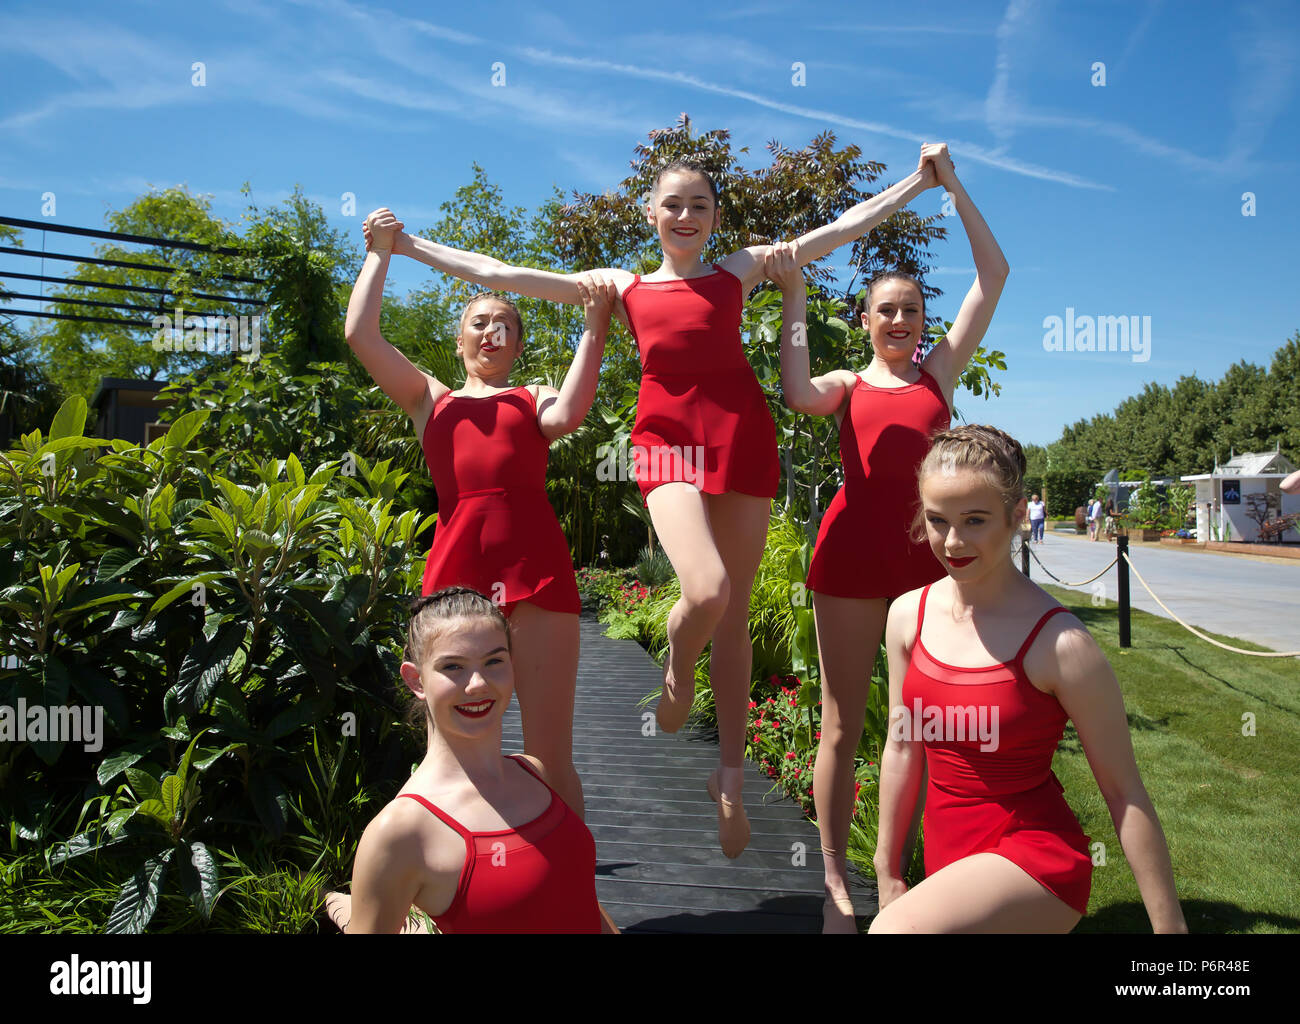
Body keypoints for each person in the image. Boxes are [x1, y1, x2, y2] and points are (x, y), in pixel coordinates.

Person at [362, 146, 938, 859]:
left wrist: (917, 183)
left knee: (732, 619)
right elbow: (502, 274)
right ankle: (674, 658)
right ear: (651, 214)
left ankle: (728, 777)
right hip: (666, 441)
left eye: (700, 205)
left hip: (741, 437)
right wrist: (407, 245)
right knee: (708, 590)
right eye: (673, 205)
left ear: (716, 217)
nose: (687, 216)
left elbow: (843, 228)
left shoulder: (739, 269)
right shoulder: (624, 286)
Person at [770, 142, 1008, 931]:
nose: (900, 319)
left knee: (922, 719)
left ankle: (899, 873)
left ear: (922, 322)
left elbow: (995, 276)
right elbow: (797, 390)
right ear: (866, 322)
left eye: (910, 309)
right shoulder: (848, 384)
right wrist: (795, 292)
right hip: (847, 559)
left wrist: (954, 185)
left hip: (929, 565)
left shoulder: (939, 375)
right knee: (841, 721)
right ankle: (835, 878)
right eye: (886, 309)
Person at [345, 226, 617, 818]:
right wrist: (380, 251)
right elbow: (360, 335)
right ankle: (448, 899)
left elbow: (570, 413)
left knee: (549, 757)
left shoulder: (533, 397)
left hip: (538, 576)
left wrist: (594, 325)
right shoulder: (430, 401)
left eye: (506, 325)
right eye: (480, 321)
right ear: (460, 336)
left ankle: (569, 896)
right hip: (455, 586)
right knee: (450, 755)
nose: (491, 331)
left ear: (517, 345)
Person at [870, 425, 1185, 933]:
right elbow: (902, 746)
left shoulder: (1061, 645)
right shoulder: (909, 615)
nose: (953, 542)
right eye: (937, 520)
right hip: (949, 858)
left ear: (1018, 517)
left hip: (1035, 858)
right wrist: (887, 871)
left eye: (975, 520)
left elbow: (1125, 794)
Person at [325, 587, 618, 933]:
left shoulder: (535, 773)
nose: (478, 684)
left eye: (494, 661)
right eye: (453, 667)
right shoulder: (402, 833)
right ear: (416, 680)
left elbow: (579, 895)